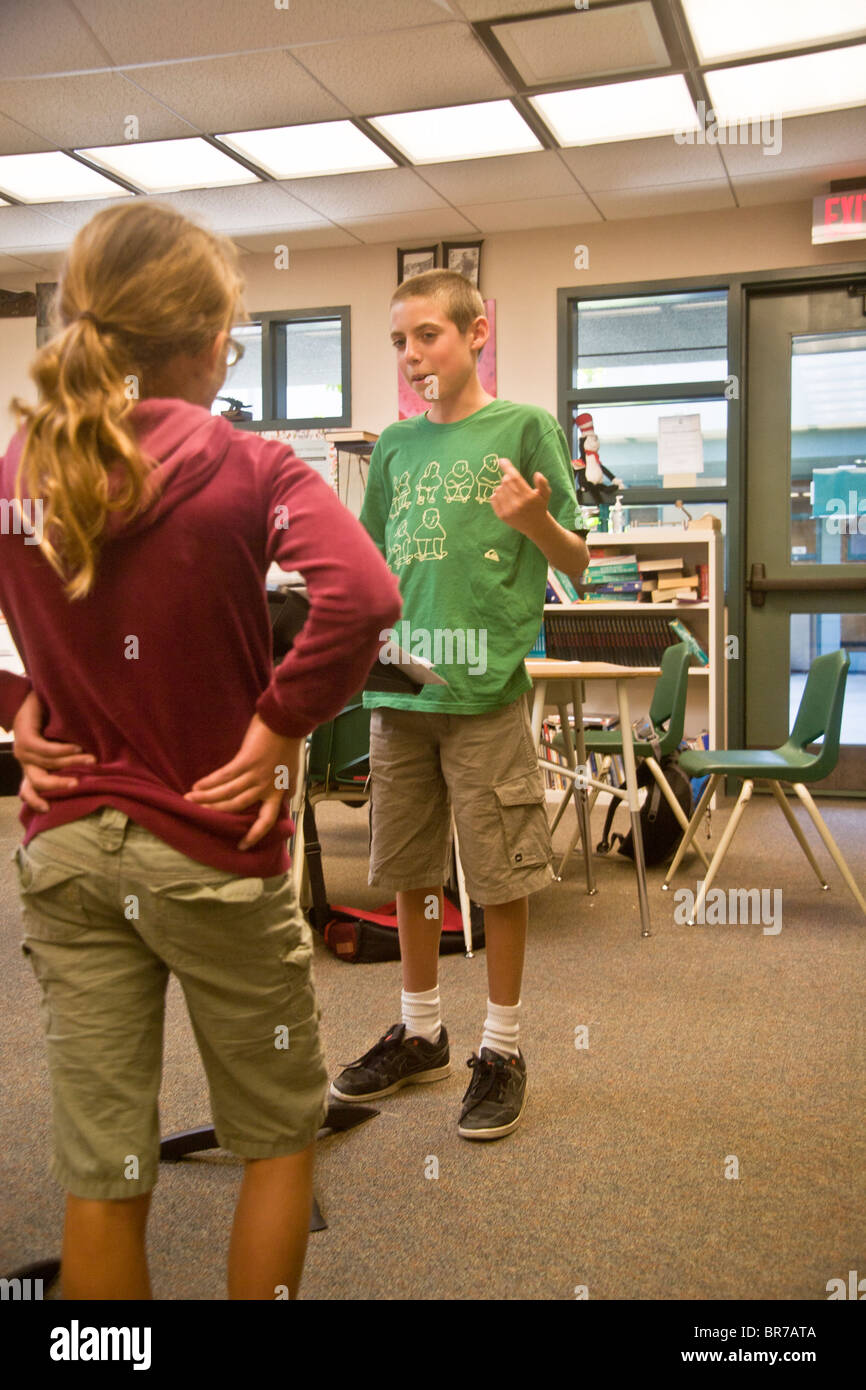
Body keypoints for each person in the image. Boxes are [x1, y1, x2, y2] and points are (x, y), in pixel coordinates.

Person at [0, 201, 401, 1300]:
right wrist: (280, 723)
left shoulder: (23, 463)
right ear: (201, 338)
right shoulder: (250, 465)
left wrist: (17, 702)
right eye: (229, 326)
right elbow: (363, 597)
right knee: (276, 1139)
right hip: (216, 854)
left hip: (72, 854)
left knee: (104, 1169)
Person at [330, 270, 589, 1139]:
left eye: (429, 335)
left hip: (483, 694)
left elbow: (580, 562)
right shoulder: (396, 447)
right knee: (408, 868)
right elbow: (367, 564)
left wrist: (535, 525)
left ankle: (504, 1047)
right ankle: (420, 1031)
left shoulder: (524, 428)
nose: (412, 356)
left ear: (479, 333)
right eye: (400, 341)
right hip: (400, 690)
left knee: (500, 871)